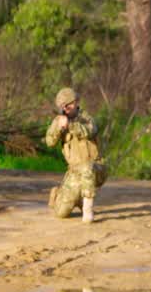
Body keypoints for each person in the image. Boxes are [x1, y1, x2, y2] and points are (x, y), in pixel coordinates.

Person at [45, 87, 106, 223]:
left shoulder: (87, 118)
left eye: (69, 104)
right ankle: (73, 197)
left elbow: (89, 131)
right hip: (74, 171)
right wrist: (59, 128)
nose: (66, 108)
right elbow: (49, 142)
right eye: (63, 106)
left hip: (96, 167)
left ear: (77, 102)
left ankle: (87, 211)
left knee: (86, 168)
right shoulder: (59, 120)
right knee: (61, 213)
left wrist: (71, 126)